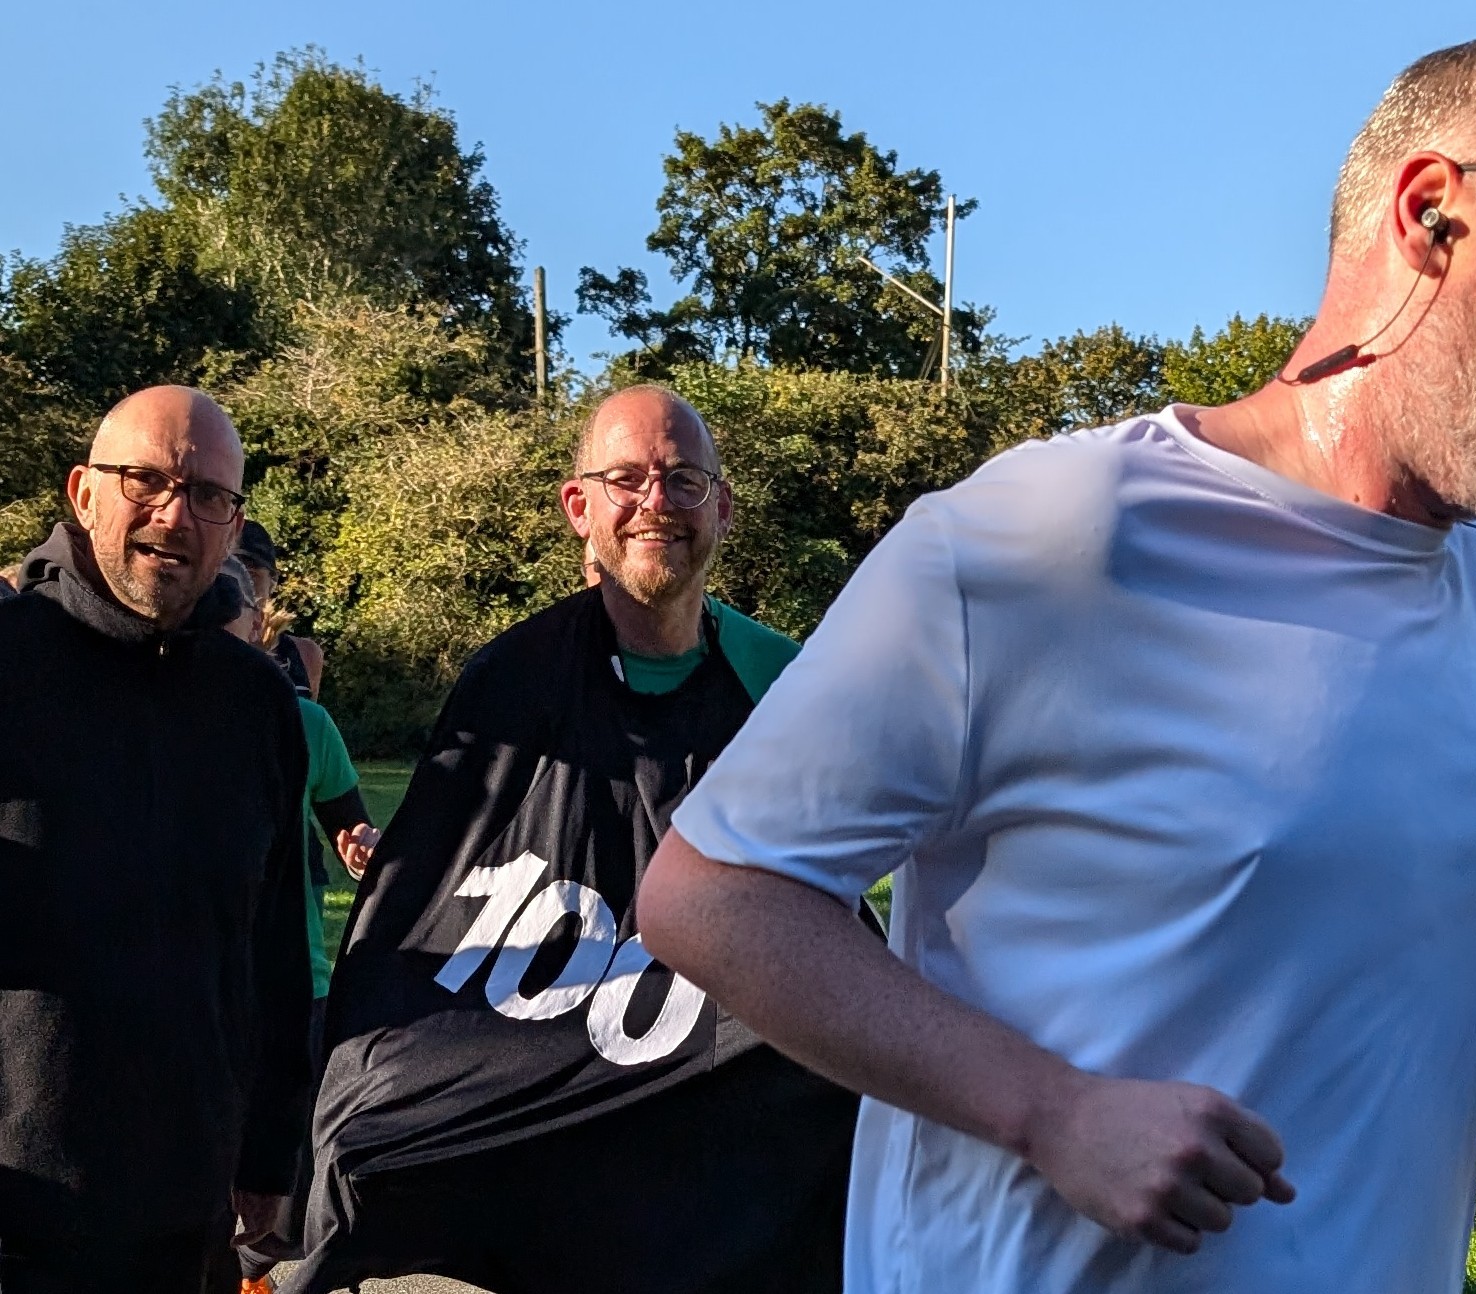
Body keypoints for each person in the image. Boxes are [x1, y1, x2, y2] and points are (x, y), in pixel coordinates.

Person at [637, 35, 1476, 1294]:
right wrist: (1049, 1110)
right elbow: (713, 893)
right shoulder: (1054, 538)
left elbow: (1377, 1018)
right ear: (1434, 213)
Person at [289, 386, 866, 1294]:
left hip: (706, 1038)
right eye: (627, 479)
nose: (656, 503)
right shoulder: (512, 681)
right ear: (579, 506)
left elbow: (838, 902)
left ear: (722, 507)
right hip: (549, 1004)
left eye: (683, 481)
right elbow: (423, 903)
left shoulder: (784, 682)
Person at [0, 387, 313, 1291]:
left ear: (233, 524)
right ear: (83, 492)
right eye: (146, 480)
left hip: (185, 1209)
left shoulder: (256, 704)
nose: (174, 516)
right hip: (17, 1210)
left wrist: (270, 1151)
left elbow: (273, 944)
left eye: (208, 495)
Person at [211, 557, 380, 1292]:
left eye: (237, 619)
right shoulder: (146, 716)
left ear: (257, 628)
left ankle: (255, 1275)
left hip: (291, 980)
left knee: (288, 1184)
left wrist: (363, 846)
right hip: (189, 979)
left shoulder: (305, 722)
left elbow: (350, 825)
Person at [235, 519, 324, 700]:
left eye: (251, 576)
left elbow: (308, 716)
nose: (240, 585)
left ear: (273, 581)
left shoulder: (305, 655)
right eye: (230, 572)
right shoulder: (192, 645)